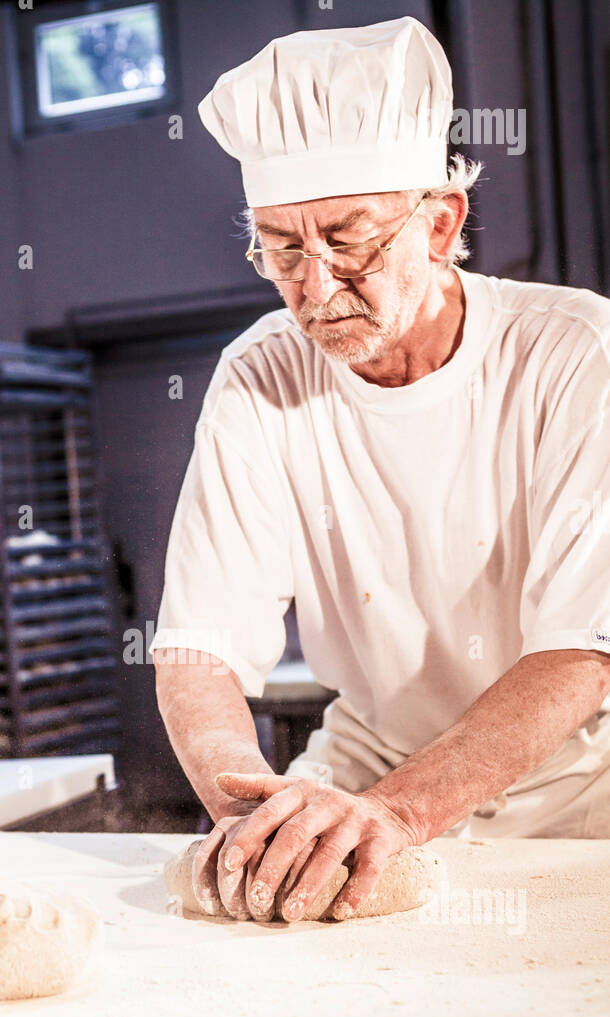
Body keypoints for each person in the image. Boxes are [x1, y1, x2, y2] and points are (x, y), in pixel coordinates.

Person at [149, 17, 610, 922]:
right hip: (365, 777)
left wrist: (399, 815)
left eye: (350, 240)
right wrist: (254, 823)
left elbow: (582, 652)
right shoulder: (260, 376)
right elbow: (199, 651)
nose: (315, 288)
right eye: (284, 249)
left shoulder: (573, 353)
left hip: (581, 793)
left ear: (440, 224)